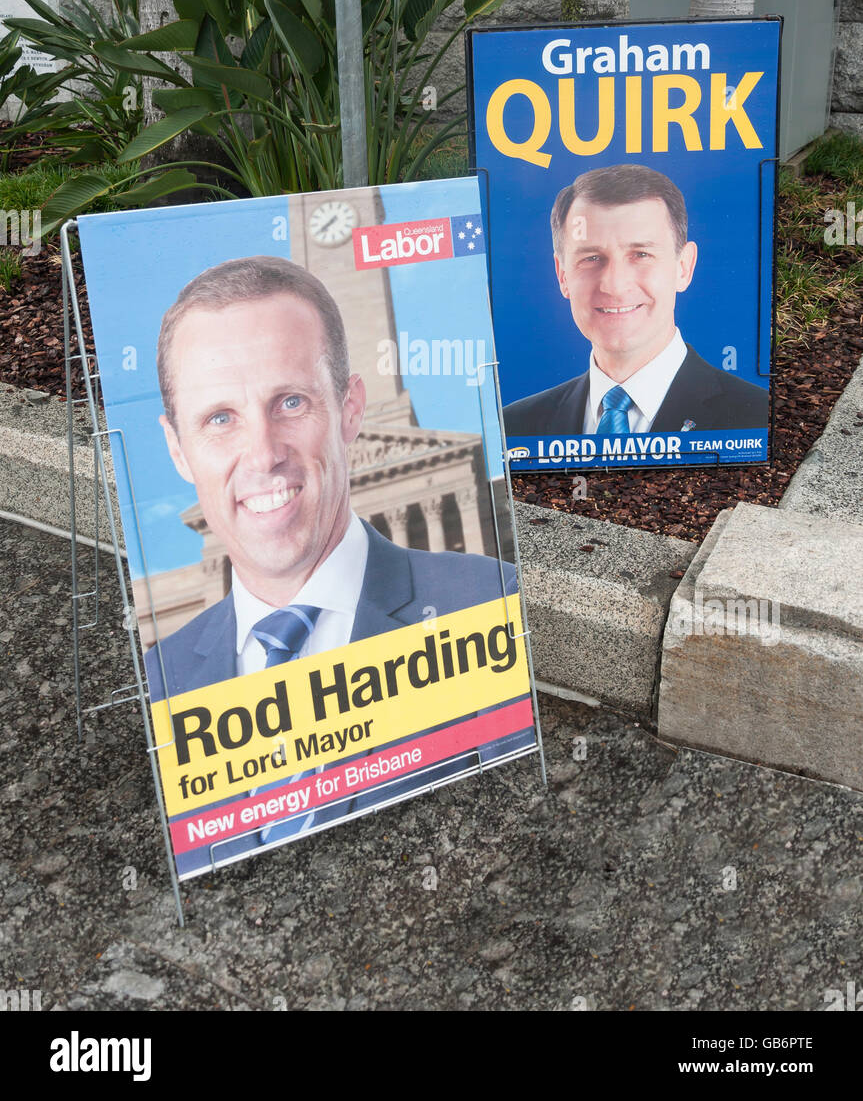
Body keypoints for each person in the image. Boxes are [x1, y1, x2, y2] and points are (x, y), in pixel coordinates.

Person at [145, 255, 530, 873]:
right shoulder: (158, 680)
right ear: (177, 449)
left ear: (351, 409)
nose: (263, 454)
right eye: (220, 418)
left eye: (291, 402)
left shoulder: (488, 605)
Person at [503, 164, 769, 437]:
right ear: (562, 275)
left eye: (641, 254)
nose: (615, 285)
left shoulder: (758, 418)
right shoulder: (513, 428)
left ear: (684, 267)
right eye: (591, 258)